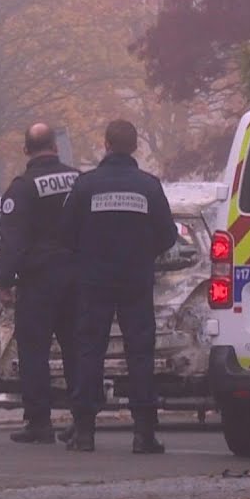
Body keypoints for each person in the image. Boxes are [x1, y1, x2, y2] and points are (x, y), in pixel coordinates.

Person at [58, 119, 178, 453]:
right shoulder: (149, 187)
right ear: (135, 146)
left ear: (106, 144)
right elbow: (168, 235)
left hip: (93, 280)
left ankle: (84, 431)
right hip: (135, 281)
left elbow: (65, 234)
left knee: (88, 351)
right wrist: (141, 252)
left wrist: (89, 254)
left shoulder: (86, 186)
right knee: (139, 352)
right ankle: (143, 434)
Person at [0, 124, 81, 444]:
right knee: (76, 350)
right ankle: (82, 419)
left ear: (26, 150)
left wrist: (3, 281)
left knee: (34, 351)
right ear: (55, 147)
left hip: (39, 281)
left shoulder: (22, 188)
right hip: (76, 277)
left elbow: (12, 240)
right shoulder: (78, 180)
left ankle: (39, 422)